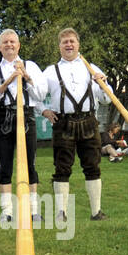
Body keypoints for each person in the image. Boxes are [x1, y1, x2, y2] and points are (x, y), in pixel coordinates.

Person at [41, 29, 109, 221]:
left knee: (93, 165)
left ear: (78, 44)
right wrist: (43, 110)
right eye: (65, 42)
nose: (69, 45)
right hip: (63, 124)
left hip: (89, 122)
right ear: (59, 46)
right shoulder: (50, 72)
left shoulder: (92, 68)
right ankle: (61, 213)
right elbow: (35, 95)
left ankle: (96, 212)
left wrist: (103, 82)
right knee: (62, 167)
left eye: (72, 41)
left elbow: (106, 99)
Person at [0, 29, 46, 224]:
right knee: (5, 165)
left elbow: (41, 95)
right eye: (5, 42)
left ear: (18, 45)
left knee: (30, 163)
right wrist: (10, 79)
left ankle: (33, 210)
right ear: (0, 47)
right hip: (3, 117)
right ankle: (7, 211)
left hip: (26, 115)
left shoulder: (31, 66)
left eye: (12, 42)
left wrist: (26, 76)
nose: (9, 45)